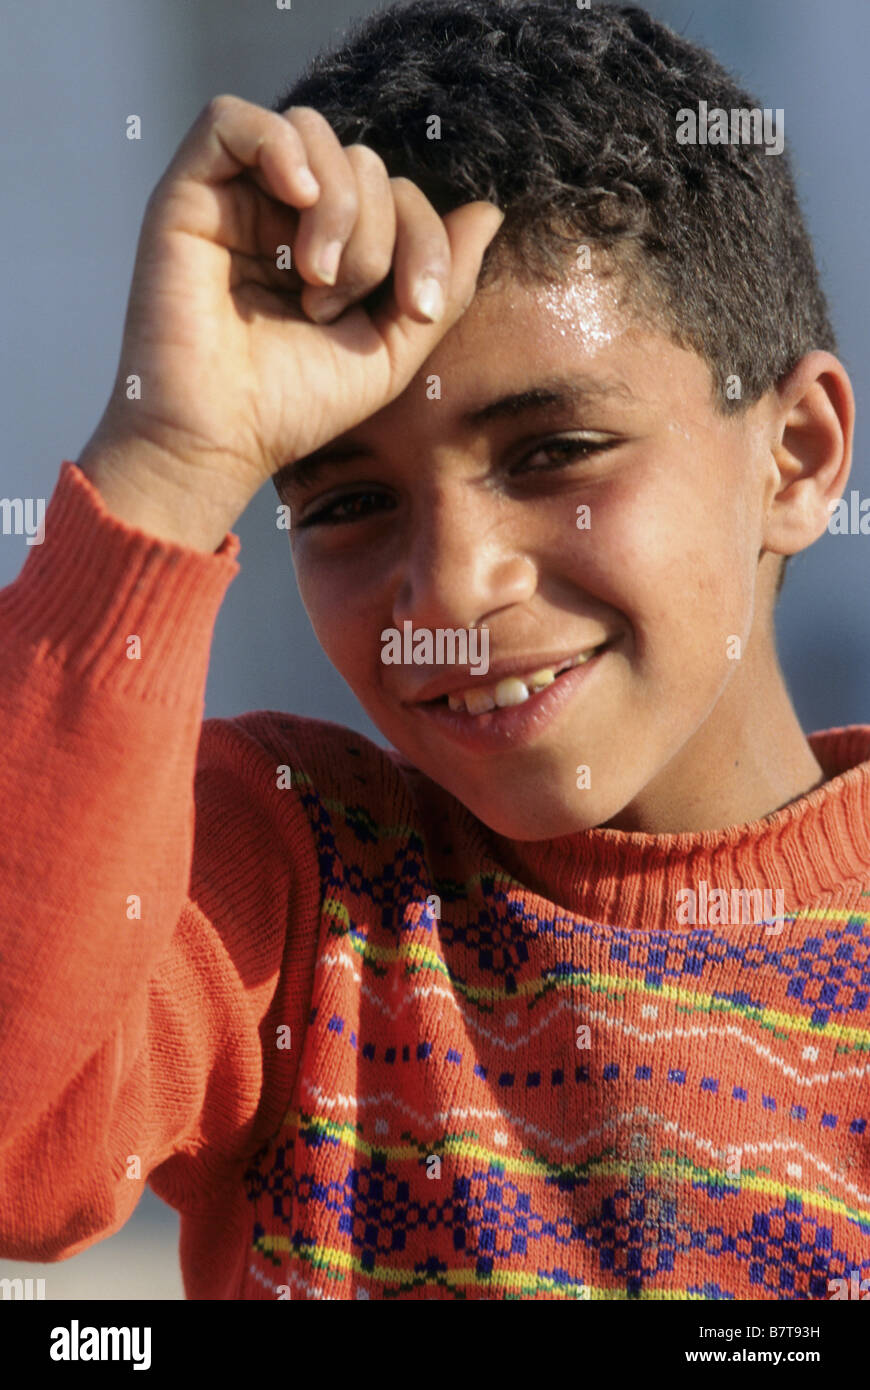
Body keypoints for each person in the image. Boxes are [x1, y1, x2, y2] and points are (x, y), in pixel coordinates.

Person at [1, 0, 866, 1301]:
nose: (449, 588)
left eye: (553, 453)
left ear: (793, 455)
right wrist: (172, 462)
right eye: (346, 503)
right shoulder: (295, 890)